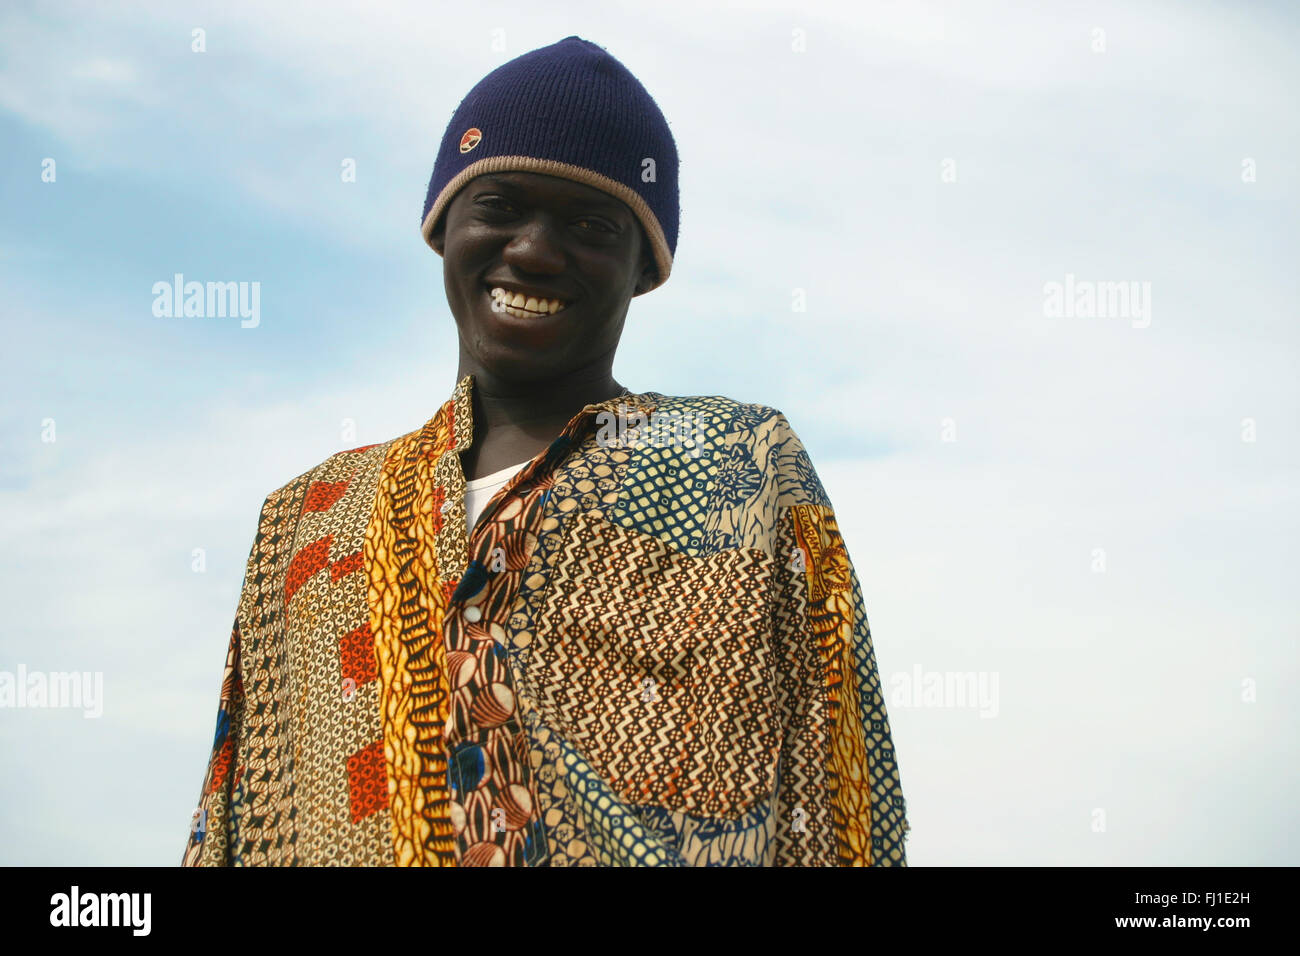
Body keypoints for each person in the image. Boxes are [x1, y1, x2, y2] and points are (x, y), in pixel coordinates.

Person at [182, 34, 909, 867]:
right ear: (440, 229)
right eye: (497, 207)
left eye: (591, 225)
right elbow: (228, 817)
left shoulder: (740, 466)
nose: (533, 250)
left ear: (645, 268)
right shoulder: (307, 520)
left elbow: (842, 791)